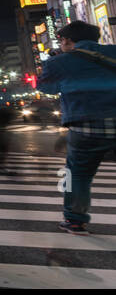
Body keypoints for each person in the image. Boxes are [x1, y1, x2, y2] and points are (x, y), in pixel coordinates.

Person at [38, 20, 116, 235]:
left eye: (61, 40)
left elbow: (46, 88)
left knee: (77, 175)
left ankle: (75, 221)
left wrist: (52, 62)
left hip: (85, 127)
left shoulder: (60, 62)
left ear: (67, 40)